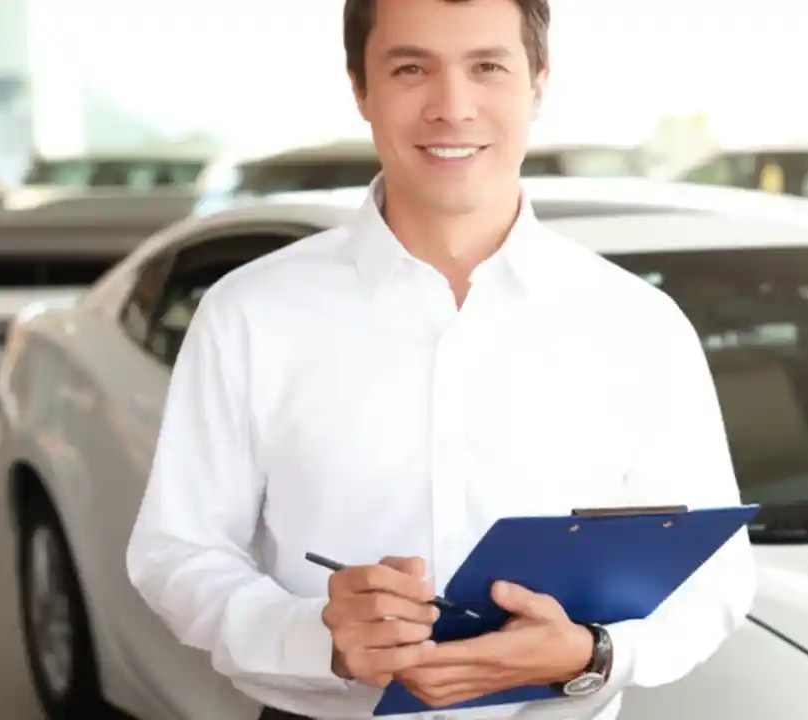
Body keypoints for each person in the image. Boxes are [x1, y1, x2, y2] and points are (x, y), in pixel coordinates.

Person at [125, 0, 755, 718]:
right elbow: (178, 554)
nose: (452, 108)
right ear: (360, 88)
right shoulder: (250, 315)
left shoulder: (639, 326)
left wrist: (593, 654)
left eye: (487, 67)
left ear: (539, 82)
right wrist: (313, 635)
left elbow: (714, 581)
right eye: (410, 68)